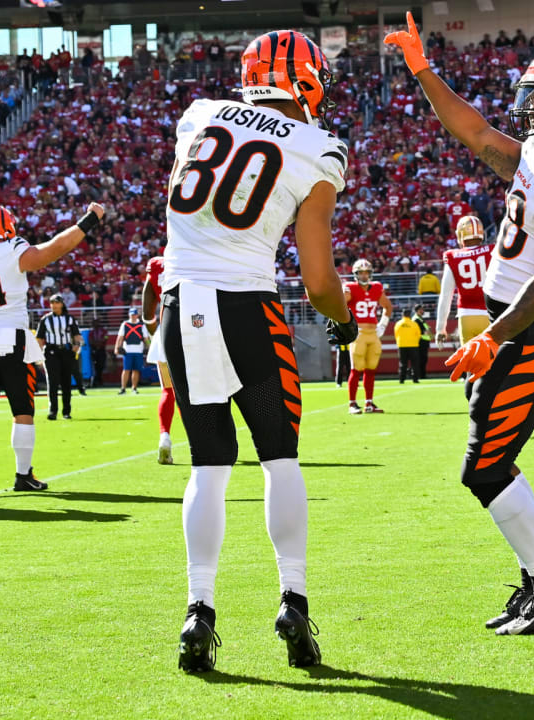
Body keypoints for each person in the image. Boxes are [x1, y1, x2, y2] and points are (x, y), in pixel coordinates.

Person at [387, 15, 534, 635]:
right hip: (512, 327)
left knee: (484, 467)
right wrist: (422, 68)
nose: (530, 106)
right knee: (497, 459)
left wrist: (494, 336)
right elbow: (474, 131)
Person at [163, 29, 356, 673]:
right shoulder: (318, 147)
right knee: (279, 460)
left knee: (209, 467)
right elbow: (321, 279)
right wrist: (344, 321)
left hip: (178, 300)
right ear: (306, 80)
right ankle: (293, 600)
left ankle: (199, 609)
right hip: (248, 304)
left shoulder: (199, 115)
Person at [0, 202, 104, 497]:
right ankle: (23, 474)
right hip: (12, 340)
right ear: (6, 225)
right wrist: (89, 221)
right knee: (22, 410)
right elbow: (52, 250)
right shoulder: (12, 248)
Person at [435, 215, 493, 347]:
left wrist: (440, 328)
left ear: (460, 235)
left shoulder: (453, 256)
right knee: (494, 362)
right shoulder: (492, 251)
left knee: (471, 364)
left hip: (467, 315)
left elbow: (446, 295)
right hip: (491, 314)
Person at [344, 258, 392, 414]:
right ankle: (352, 404)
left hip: (373, 333)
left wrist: (383, 325)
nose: (364, 276)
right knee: (356, 369)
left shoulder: (377, 287)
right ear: (356, 274)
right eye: (361, 273)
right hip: (358, 333)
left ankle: (369, 403)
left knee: (371, 369)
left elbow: (388, 307)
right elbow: (340, 305)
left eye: (366, 273)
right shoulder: (350, 288)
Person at [142, 254, 175, 464]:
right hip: (198, 327)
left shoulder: (157, 265)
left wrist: (157, 333)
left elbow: (147, 313)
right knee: (198, 392)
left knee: (169, 391)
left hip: (167, 330)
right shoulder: (196, 253)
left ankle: (165, 436)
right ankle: (199, 442)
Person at [35, 294, 81, 420]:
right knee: (52, 382)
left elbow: (77, 335)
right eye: (52, 303)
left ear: (62, 304)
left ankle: (66, 411)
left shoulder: (69, 319)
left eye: (56, 303)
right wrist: (38, 354)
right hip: (51, 351)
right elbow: (39, 337)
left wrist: (76, 347)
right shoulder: (46, 319)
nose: (54, 305)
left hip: (66, 351)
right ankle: (53, 411)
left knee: (66, 382)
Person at [116, 309, 147, 394]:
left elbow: (146, 338)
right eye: (131, 315)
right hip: (127, 350)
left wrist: (149, 347)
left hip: (139, 350)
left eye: (134, 315)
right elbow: (120, 337)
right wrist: (117, 347)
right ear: (129, 315)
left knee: (136, 370)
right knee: (126, 369)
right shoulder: (125, 324)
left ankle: (134, 388)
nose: (133, 316)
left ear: (137, 315)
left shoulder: (141, 325)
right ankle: (123, 388)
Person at [395, 308, 422, 382]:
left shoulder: (398, 324)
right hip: (413, 345)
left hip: (402, 345)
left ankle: (401, 378)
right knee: (414, 363)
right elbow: (418, 334)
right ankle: (415, 379)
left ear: (402, 315)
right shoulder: (414, 324)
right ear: (410, 315)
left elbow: (396, 334)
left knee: (402, 363)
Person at [87, 318, 107, 387]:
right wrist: (97, 344)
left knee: (101, 365)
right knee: (95, 366)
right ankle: (96, 381)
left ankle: (99, 379)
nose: (95, 324)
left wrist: (99, 344)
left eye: (97, 322)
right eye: (94, 323)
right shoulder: (91, 332)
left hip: (101, 350)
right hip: (94, 351)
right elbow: (90, 341)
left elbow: (106, 338)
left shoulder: (104, 331)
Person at [414, 305, 431, 379]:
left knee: (423, 359)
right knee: (421, 359)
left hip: (424, 341)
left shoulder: (420, 319)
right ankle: (421, 375)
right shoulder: (416, 319)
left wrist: (428, 330)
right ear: (417, 310)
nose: (423, 311)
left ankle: (422, 374)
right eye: (421, 310)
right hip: (421, 341)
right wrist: (426, 331)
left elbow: (426, 329)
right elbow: (419, 331)